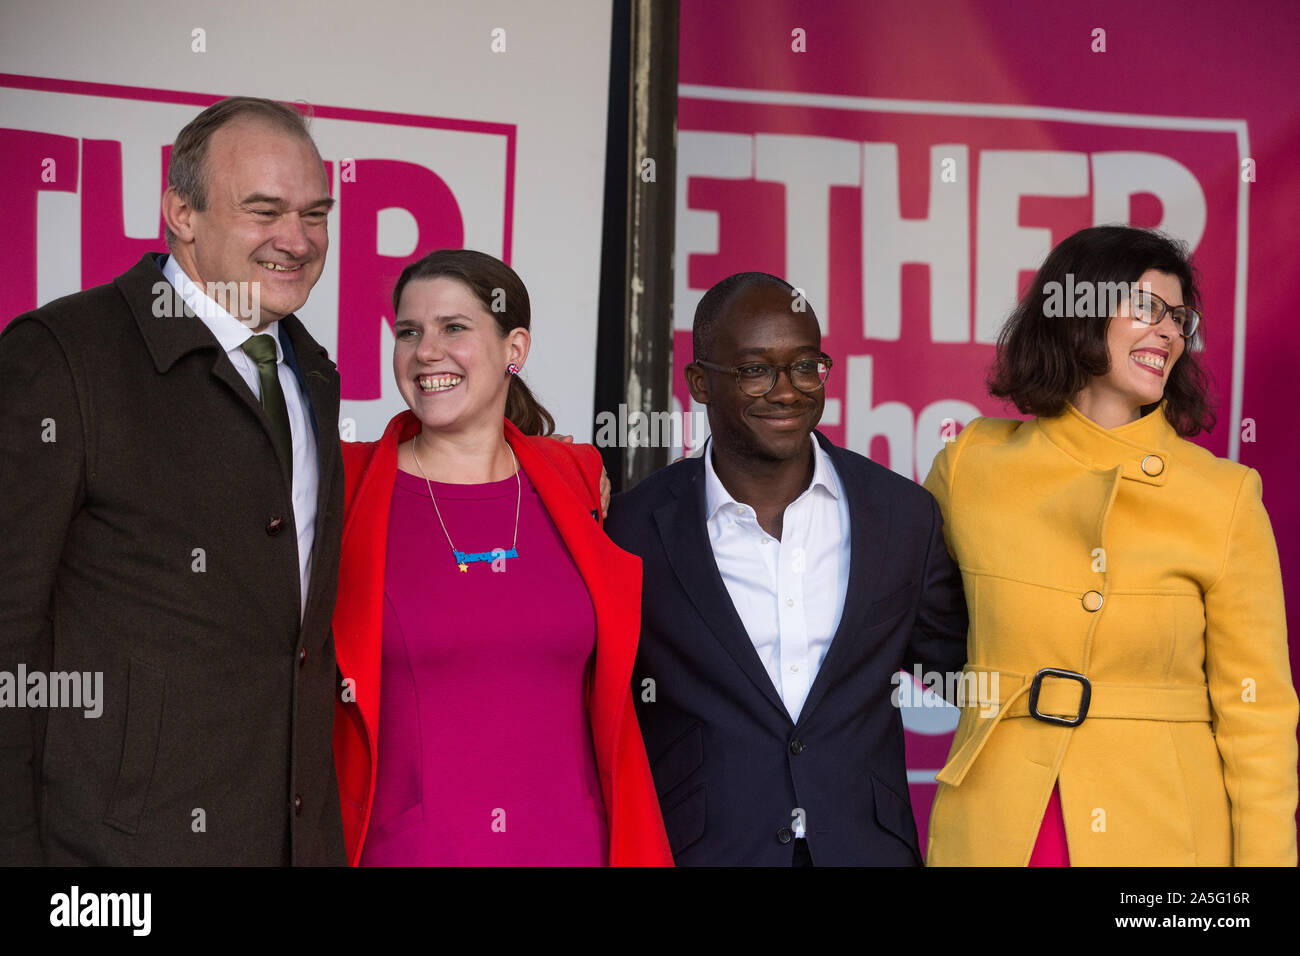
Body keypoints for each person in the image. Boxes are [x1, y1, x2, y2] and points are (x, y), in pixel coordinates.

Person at [0, 97, 346, 864]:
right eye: (265, 211)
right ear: (180, 213)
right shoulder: (64, 355)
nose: (297, 240)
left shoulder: (311, 372)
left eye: (315, 213)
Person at [924, 225, 1298, 866]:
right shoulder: (972, 466)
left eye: (1178, 318)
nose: (1170, 334)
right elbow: (903, 619)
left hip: (1165, 841)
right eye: (1147, 309)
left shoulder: (1224, 496)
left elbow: (1256, 717)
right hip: (995, 829)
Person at [604, 272, 968, 866]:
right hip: (703, 852)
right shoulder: (632, 529)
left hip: (866, 851)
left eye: (806, 366)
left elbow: (966, 670)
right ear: (700, 383)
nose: (788, 391)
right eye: (755, 369)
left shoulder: (901, 515)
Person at [331, 249, 672, 866]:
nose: (425, 351)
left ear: (516, 348)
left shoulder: (574, 480)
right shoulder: (346, 488)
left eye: (454, 328)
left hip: (576, 850)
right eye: (409, 332)